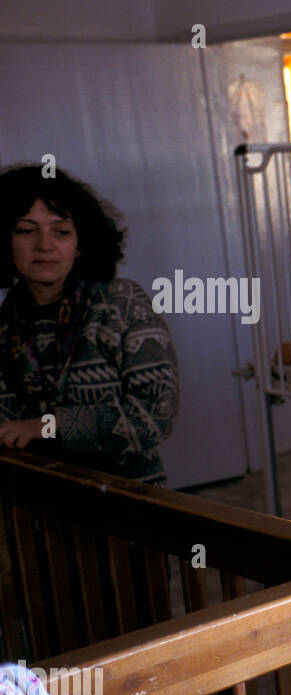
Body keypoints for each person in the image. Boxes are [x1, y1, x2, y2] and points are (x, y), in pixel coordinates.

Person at [0, 166, 179, 484]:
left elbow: (157, 413)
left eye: (61, 232)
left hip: (125, 501)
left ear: (80, 243)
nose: (45, 245)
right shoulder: (5, 323)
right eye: (26, 230)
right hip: (36, 500)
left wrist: (48, 425)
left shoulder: (122, 305)